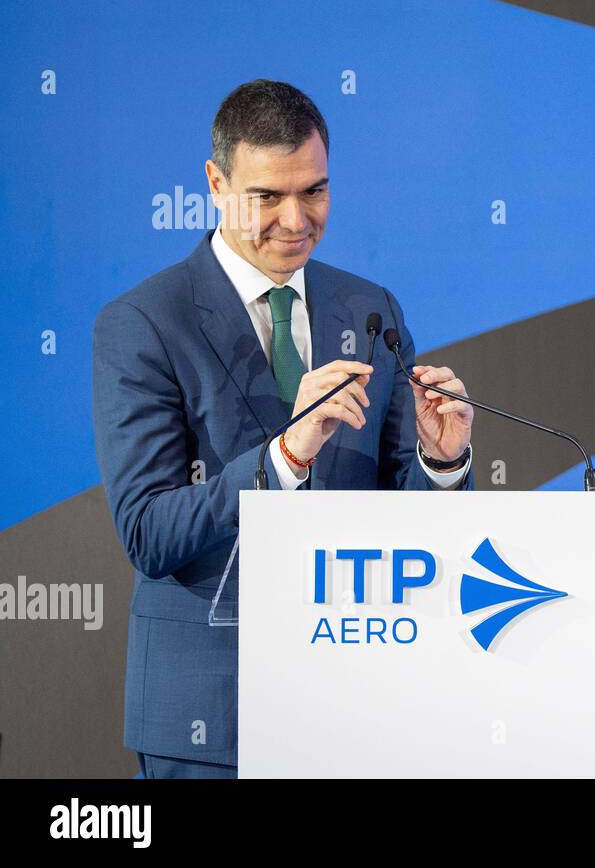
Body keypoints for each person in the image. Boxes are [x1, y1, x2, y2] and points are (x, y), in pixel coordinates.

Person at [91, 80, 474, 778]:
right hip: (212, 721)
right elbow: (148, 532)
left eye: (315, 192)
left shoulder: (368, 308)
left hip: (357, 708)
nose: (295, 219)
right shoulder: (145, 323)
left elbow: (406, 512)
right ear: (215, 182)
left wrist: (441, 462)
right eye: (267, 196)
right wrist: (284, 456)